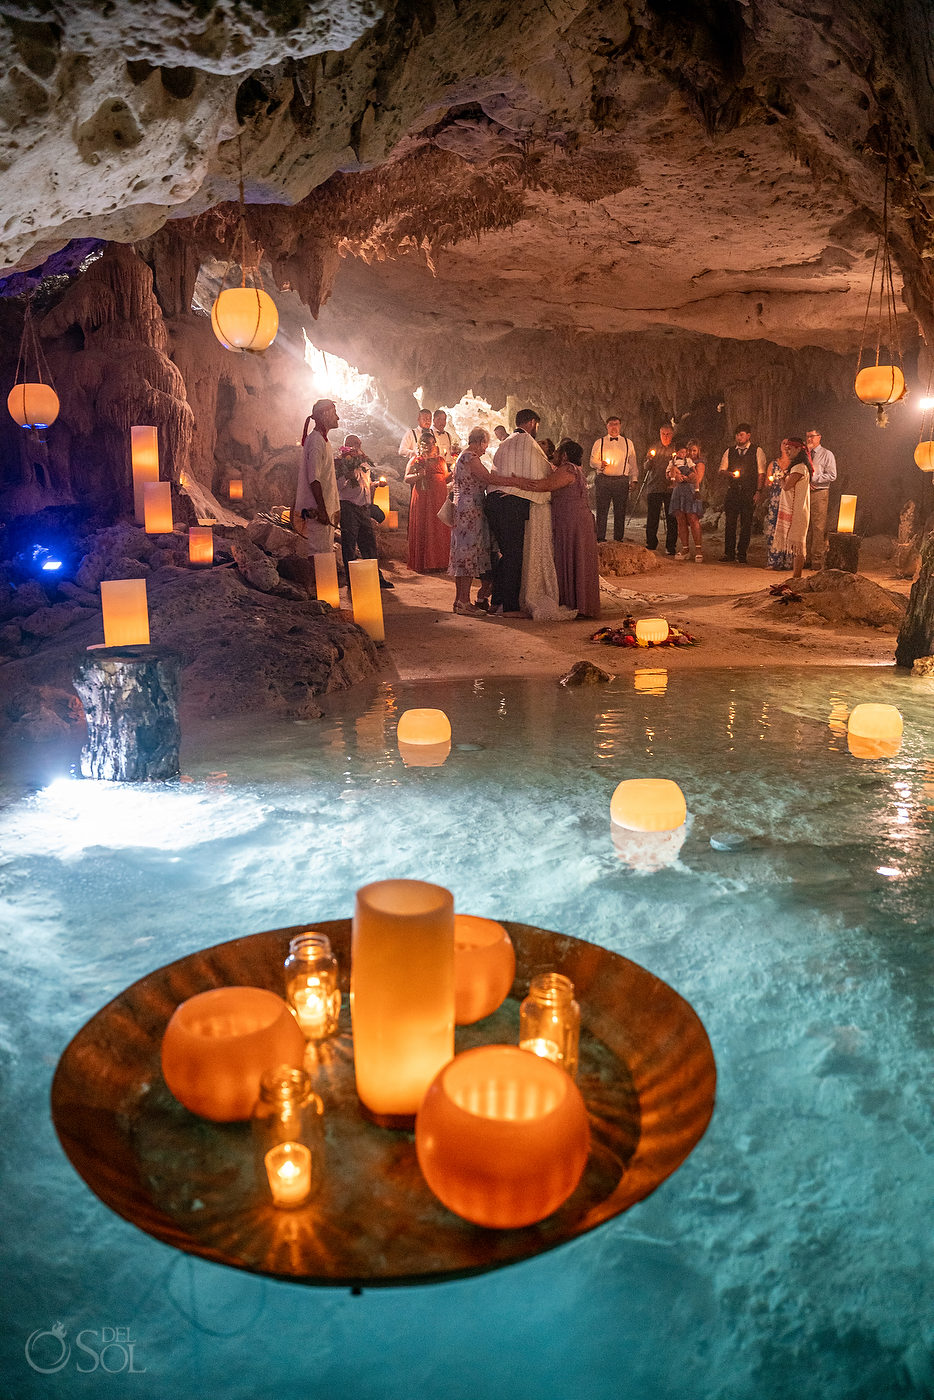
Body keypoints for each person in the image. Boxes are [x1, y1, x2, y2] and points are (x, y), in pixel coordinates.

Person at [488, 409, 571, 619]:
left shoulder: (506, 442)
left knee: (504, 553)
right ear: (533, 422)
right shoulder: (527, 443)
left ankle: (496, 600)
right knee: (514, 554)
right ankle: (509, 607)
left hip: (494, 500)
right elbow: (541, 476)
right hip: (510, 503)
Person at [503, 438, 599, 617]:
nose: (552, 455)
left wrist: (516, 481)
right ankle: (579, 601)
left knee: (572, 556)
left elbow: (544, 486)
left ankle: (576, 603)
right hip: (573, 519)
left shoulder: (568, 469)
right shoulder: (575, 470)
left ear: (564, 456)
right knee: (574, 559)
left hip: (572, 521)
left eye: (556, 453)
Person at [335, 435, 393, 589]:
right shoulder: (342, 463)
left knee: (369, 545)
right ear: (347, 446)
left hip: (363, 508)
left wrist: (375, 484)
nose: (359, 446)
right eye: (355, 444)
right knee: (349, 545)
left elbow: (364, 484)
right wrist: (347, 476)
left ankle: (375, 578)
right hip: (349, 507)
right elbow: (337, 486)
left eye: (359, 443)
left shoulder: (364, 463)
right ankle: (352, 581)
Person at [449, 427, 494, 615]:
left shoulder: (462, 457)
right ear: (478, 441)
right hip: (470, 511)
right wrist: (513, 481)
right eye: (485, 444)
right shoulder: (471, 458)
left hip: (463, 509)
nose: (485, 449)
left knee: (462, 553)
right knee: (467, 554)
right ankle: (465, 602)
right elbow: (487, 477)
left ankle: (459, 601)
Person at [294, 399, 341, 556]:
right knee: (319, 555)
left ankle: (318, 581)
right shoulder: (316, 442)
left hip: (324, 510)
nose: (337, 418)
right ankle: (314, 581)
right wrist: (322, 509)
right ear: (324, 415)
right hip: (318, 512)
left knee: (324, 554)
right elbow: (314, 479)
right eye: (334, 413)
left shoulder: (323, 441)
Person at [718, 423, 767, 563]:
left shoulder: (757, 451)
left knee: (746, 523)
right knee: (730, 523)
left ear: (748, 435)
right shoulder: (730, 451)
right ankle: (729, 553)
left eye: (742, 434)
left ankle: (742, 553)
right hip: (733, 492)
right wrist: (730, 474)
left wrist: (758, 491)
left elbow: (761, 473)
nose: (739, 437)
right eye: (737, 435)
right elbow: (721, 470)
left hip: (748, 492)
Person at [404, 429, 451, 572]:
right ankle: (425, 563)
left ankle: (440, 562)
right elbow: (406, 478)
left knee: (440, 527)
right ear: (421, 445)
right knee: (425, 526)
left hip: (439, 498)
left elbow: (444, 478)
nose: (430, 446)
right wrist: (419, 475)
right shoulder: (416, 460)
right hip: (423, 498)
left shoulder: (441, 460)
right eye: (426, 443)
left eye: (432, 443)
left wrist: (454, 474)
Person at [590, 416, 638, 542]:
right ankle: (600, 538)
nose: (614, 427)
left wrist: (634, 479)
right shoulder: (599, 442)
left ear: (620, 426)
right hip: (603, 479)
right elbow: (592, 460)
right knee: (602, 510)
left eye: (616, 424)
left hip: (621, 480)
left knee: (620, 511)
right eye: (611, 424)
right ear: (607, 426)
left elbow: (633, 462)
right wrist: (600, 464)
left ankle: (618, 538)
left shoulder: (628, 443)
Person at [771, 436, 811, 580]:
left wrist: (781, 478)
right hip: (797, 509)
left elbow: (787, 486)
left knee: (798, 543)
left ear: (798, 449)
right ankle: (796, 576)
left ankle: (797, 576)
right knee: (797, 543)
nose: (787, 452)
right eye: (785, 449)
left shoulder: (799, 467)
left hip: (799, 511)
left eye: (790, 449)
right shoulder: (797, 467)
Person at [642, 425, 678, 555]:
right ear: (660, 434)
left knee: (671, 518)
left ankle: (671, 546)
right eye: (663, 434)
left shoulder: (676, 448)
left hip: (671, 488)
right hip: (655, 486)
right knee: (652, 517)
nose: (665, 436)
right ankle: (651, 543)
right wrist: (650, 460)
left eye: (668, 434)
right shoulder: (654, 448)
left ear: (672, 435)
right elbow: (646, 467)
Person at [804, 428, 837, 569]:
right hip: (805, 492)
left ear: (819, 437)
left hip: (820, 492)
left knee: (818, 525)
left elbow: (832, 475)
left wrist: (814, 480)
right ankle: (805, 556)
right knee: (806, 525)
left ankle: (816, 558)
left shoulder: (826, 454)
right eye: (807, 436)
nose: (809, 439)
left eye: (812, 436)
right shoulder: (805, 454)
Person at [669, 439, 705, 562]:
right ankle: (685, 548)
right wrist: (674, 476)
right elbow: (668, 473)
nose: (691, 452)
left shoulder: (698, 464)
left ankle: (698, 549)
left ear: (698, 451)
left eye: (694, 450)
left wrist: (684, 478)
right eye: (689, 450)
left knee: (692, 518)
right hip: (679, 492)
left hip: (691, 492)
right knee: (680, 519)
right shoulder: (676, 461)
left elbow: (697, 478)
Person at [765, 439, 795, 571]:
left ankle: (788, 561)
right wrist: (771, 482)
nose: (786, 446)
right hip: (775, 500)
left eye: (788, 444)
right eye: (783, 443)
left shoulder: (795, 465)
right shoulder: (773, 464)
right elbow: (767, 482)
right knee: (774, 528)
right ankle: (773, 560)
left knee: (788, 529)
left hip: (789, 500)